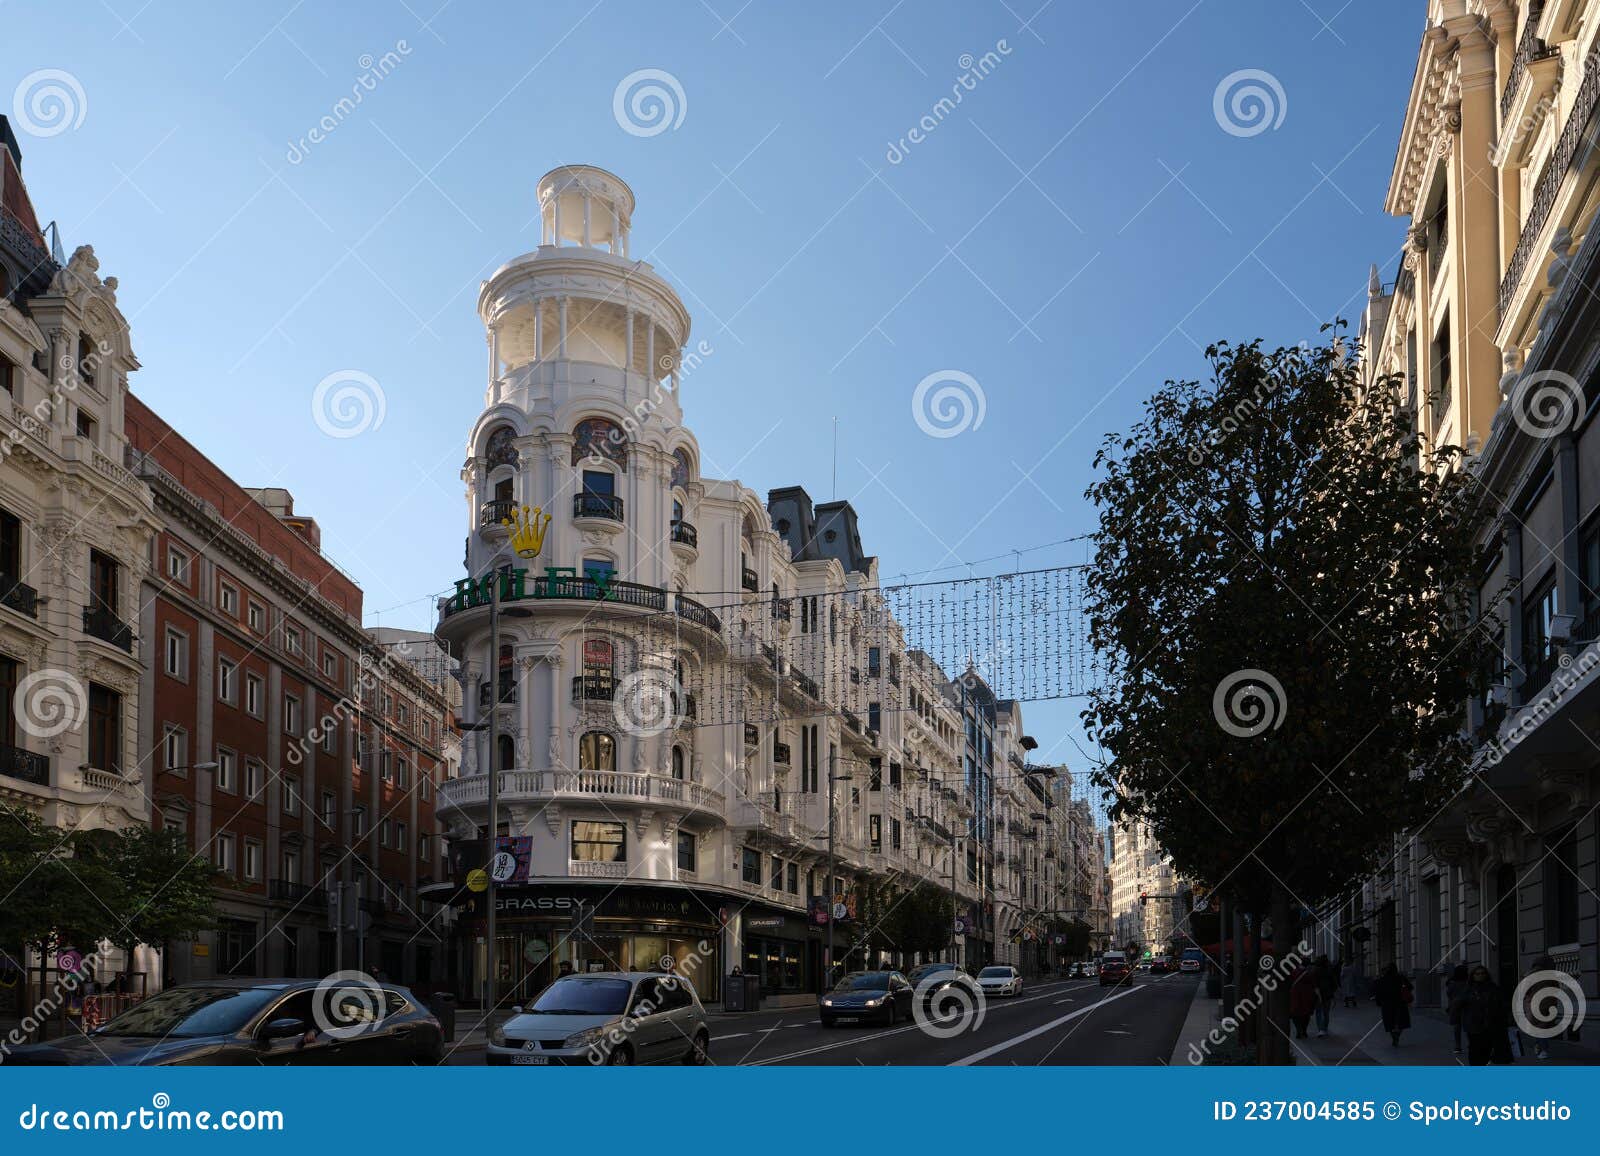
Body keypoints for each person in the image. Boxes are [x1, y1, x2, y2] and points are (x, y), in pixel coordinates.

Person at [1461, 965, 1512, 1065]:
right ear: (1473, 975)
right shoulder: (1468, 989)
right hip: (1473, 1025)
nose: (1480, 976)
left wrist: (1506, 1020)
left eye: (1483, 973)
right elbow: (1460, 1004)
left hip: (1490, 1025)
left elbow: (1502, 1005)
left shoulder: (1493, 988)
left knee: (1486, 1050)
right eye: (1478, 974)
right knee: (1474, 1050)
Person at [1371, 963, 1412, 1047]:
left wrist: (1378, 1002)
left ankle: (1393, 1036)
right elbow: (1410, 987)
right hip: (1400, 1003)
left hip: (1387, 1004)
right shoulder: (1400, 977)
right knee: (1402, 1021)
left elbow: (1377, 991)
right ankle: (1397, 1035)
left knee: (1389, 1022)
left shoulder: (1382, 979)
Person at [1444, 964, 1470, 1055]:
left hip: (1455, 1006)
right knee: (1468, 1026)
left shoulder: (1452, 983)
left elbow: (1449, 994)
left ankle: (1458, 1046)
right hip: (1467, 1006)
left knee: (1457, 1027)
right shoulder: (1468, 983)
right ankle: (1470, 1044)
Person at [1288, 962, 1318, 1039]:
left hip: (1295, 996)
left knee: (1295, 1014)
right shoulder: (1309, 973)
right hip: (1307, 996)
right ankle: (1304, 1030)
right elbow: (1314, 984)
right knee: (1306, 1014)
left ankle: (1299, 1029)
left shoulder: (1292, 972)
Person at [1313, 955, 1338, 1038]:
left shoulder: (1315, 971)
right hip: (1328, 995)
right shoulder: (1329, 971)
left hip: (1318, 995)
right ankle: (1325, 1029)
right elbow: (1334, 984)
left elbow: (1315, 984)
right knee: (1326, 1012)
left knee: (1319, 1012)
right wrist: (1333, 994)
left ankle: (1320, 1029)